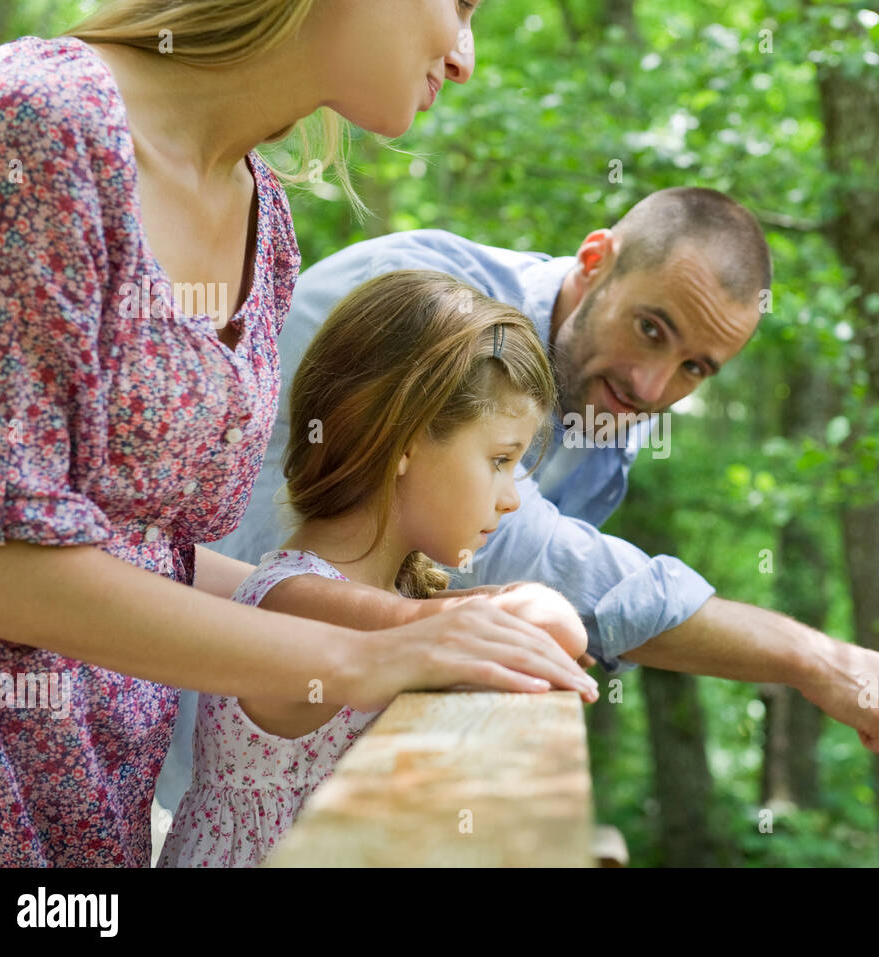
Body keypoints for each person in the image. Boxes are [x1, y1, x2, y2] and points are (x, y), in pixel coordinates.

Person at [0, 0, 594, 868]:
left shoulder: (264, 219)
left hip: (95, 827)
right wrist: (355, 656)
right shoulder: (41, 121)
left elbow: (145, 554)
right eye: (461, 4)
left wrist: (423, 621)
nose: (465, 58)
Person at [172, 188, 879, 816]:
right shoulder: (435, 310)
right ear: (596, 259)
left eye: (695, 369)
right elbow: (547, 566)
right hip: (163, 744)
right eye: (651, 328)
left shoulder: (608, 409)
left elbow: (517, 605)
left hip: (325, 777)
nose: (652, 386)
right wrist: (816, 659)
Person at [159, 271, 577, 867]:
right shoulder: (302, 602)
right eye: (501, 459)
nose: (512, 497)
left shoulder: (389, 597)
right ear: (404, 443)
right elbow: (554, 625)